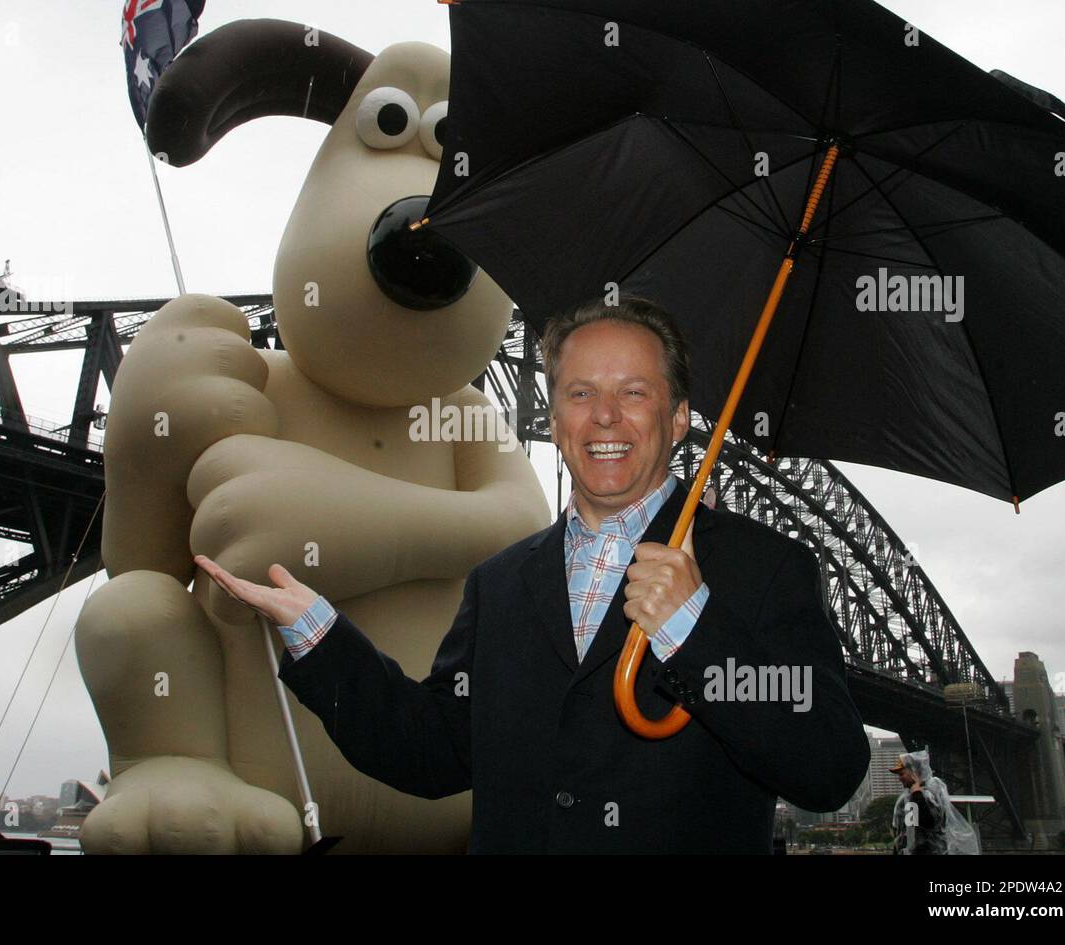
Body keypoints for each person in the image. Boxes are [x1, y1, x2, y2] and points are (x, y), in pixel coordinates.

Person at [197, 294, 870, 853]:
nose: (605, 415)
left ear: (680, 417)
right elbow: (431, 750)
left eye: (634, 391)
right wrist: (317, 631)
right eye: (581, 392)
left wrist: (696, 627)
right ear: (554, 418)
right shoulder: (500, 582)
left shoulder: (764, 567)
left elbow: (829, 765)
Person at [890, 749, 979, 854]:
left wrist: (917, 793)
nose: (899, 778)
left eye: (902, 774)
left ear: (914, 772)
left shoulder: (930, 794)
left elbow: (929, 822)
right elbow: (906, 831)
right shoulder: (907, 798)